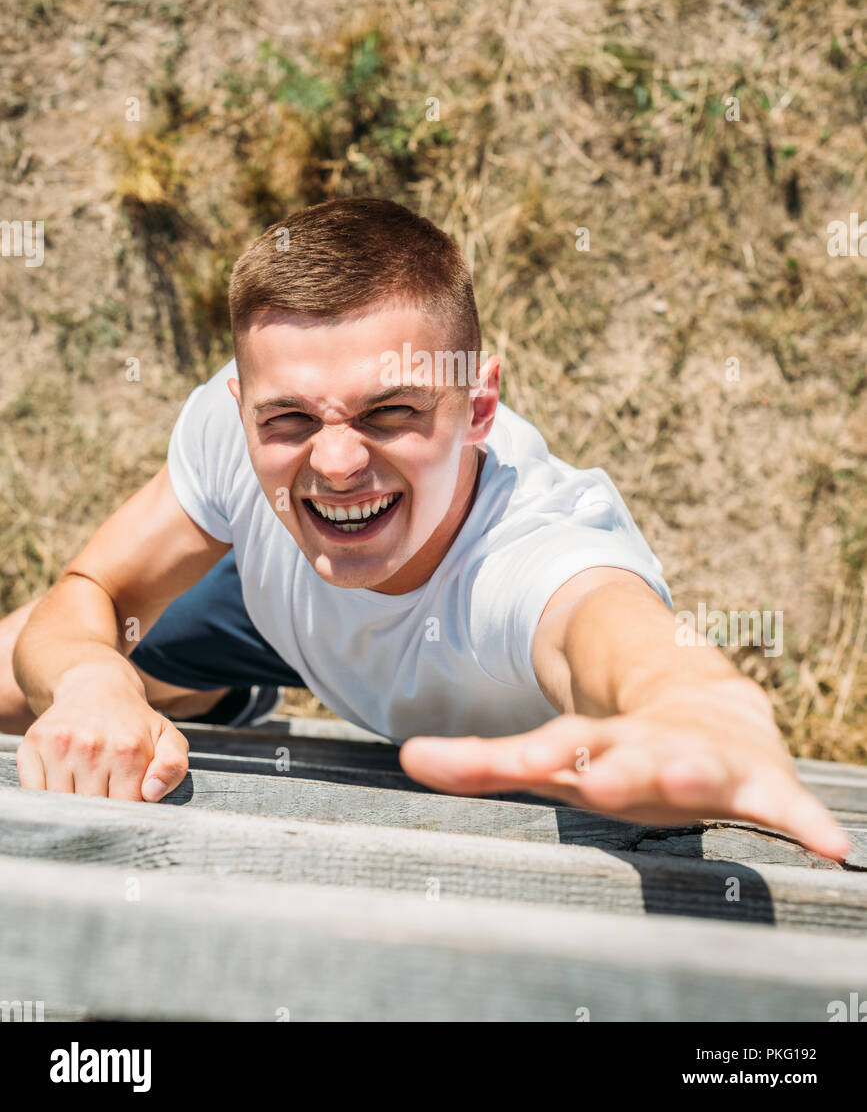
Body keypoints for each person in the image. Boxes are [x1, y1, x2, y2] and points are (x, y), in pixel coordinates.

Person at [3, 197, 850, 859]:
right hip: (276, 595)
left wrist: (689, 704)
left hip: (397, 610)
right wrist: (87, 681)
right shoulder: (239, 427)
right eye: (289, 420)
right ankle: (205, 685)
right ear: (242, 406)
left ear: (478, 406)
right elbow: (92, 592)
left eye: (391, 412)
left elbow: (609, 632)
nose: (335, 462)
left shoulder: (527, 554)